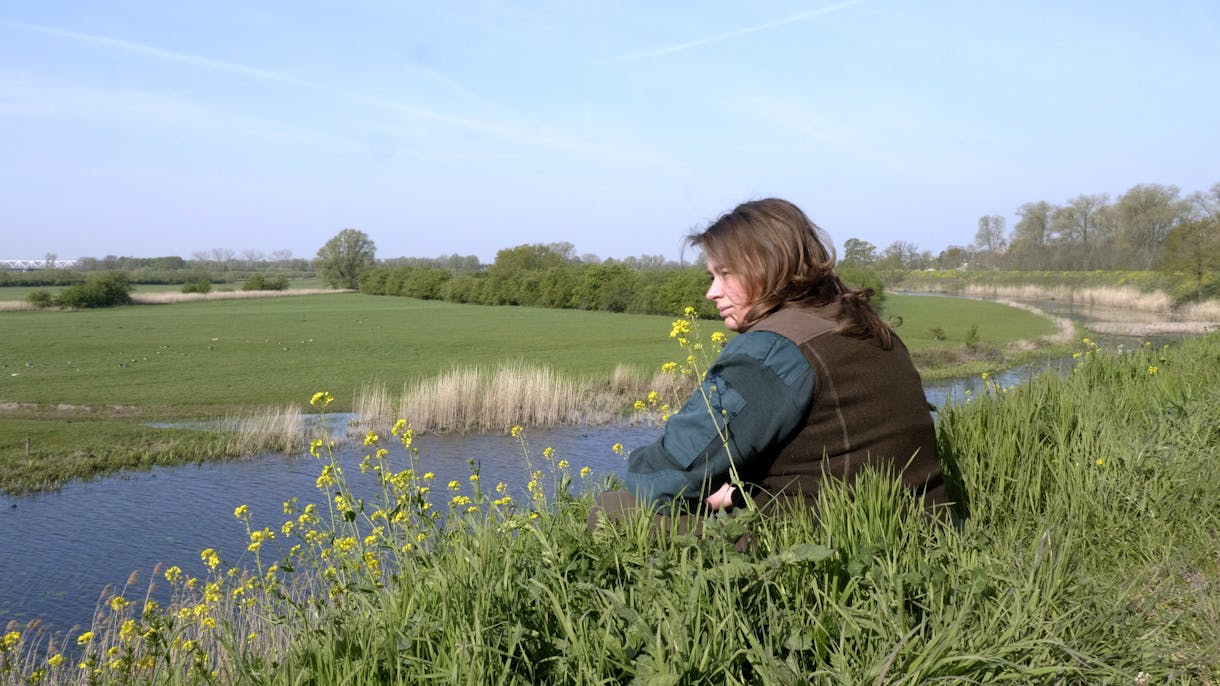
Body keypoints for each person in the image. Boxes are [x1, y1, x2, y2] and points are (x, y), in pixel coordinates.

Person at [593, 198, 947, 527]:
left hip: (821, 543)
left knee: (609, 512)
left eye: (726, 274)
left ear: (768, 266)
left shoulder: (770, 351)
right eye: (712, 277)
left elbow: (665, 476)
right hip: (917, 527)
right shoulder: (863, 324)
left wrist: (695, 490)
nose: (712, 292)